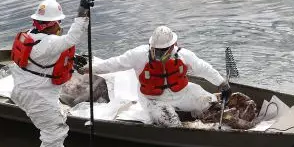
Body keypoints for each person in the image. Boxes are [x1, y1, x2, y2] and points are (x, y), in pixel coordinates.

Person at [9, 0, 92, 147]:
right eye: (59, 23)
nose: (60, 26)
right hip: (36, 94)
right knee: (55, 129)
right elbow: (72, 37)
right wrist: (82, 12)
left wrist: (72, 57)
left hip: (25, 90)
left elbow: (45, 57)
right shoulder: (50, 43)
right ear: (53, 24)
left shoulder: (31, 36)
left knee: (51, 124)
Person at [92, 26, 229, 127]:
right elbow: (115, 63)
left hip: (182, 93)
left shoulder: (184, 55)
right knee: (171, 123)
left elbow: (203, 68)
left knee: (211, 104)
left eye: (163, 50)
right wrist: (91, 69)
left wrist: (222, 83)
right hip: (154, 99)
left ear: (172, 46)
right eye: (156, 50)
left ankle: (201, 115)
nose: (159, 53)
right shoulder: (138, 55)